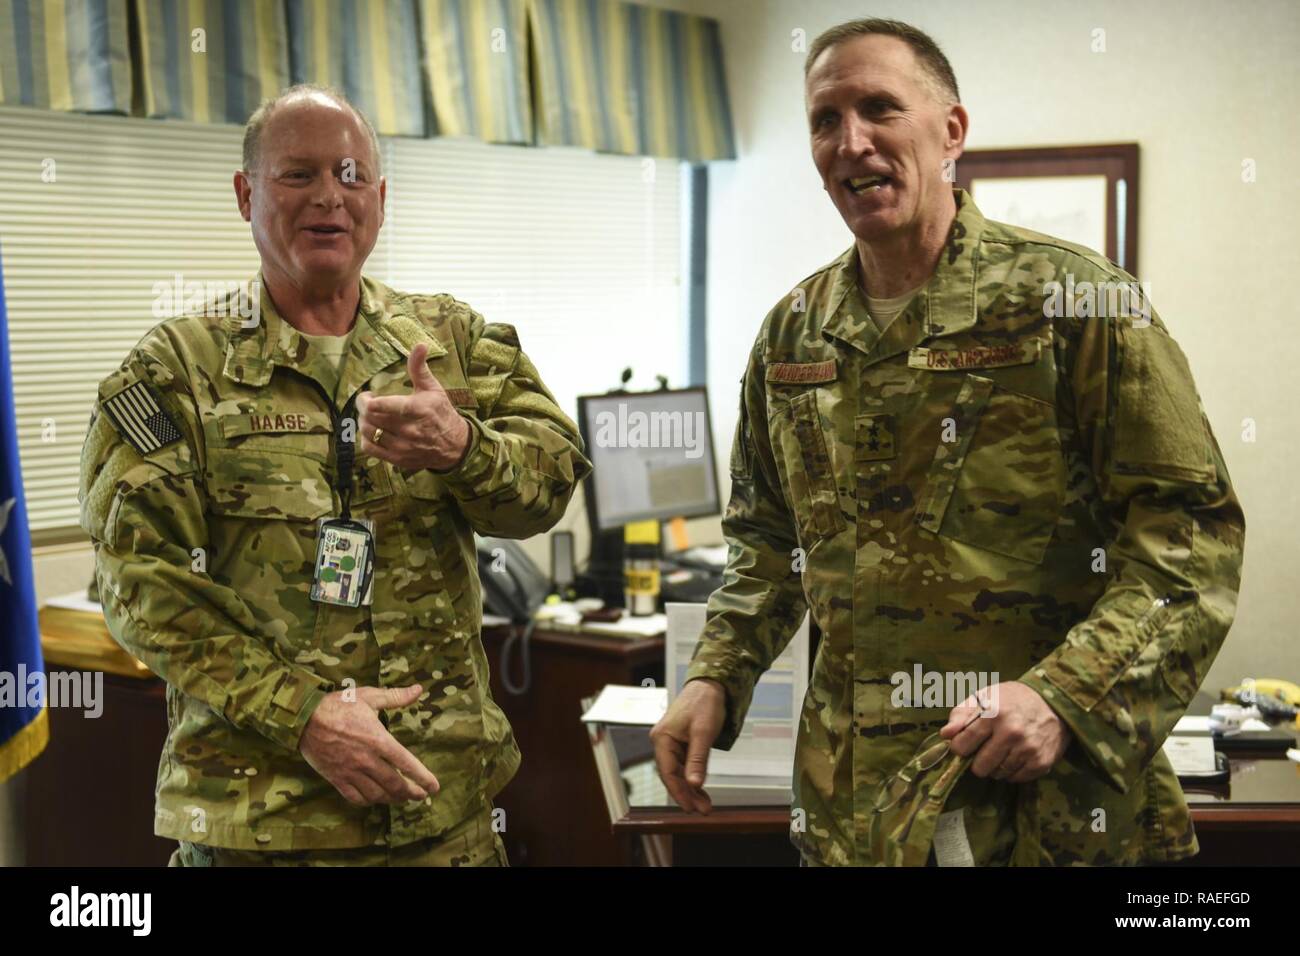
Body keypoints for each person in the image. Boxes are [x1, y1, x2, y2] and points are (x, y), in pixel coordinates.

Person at [650, 18, 1245, 866]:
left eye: (880, 109)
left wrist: (1064, 698)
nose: (851, 143)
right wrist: (715, 674)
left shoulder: (1075, 303)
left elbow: (1190, 545)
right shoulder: (794, 335)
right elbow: (766, 543)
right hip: (854, 807)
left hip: (1046, 810)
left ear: (951, 132)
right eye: (825, 120)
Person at [80, 85, 591, 866]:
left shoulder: (453, 340)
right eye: (299, 175)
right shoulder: (174, 372)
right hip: (262, 825)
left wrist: (464, 449)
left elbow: (551, 480)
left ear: (380, 201)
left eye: (352, 176)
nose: (330, 197)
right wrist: (305, 715)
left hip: (442, 815)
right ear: (247, 194)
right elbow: (142, 590)